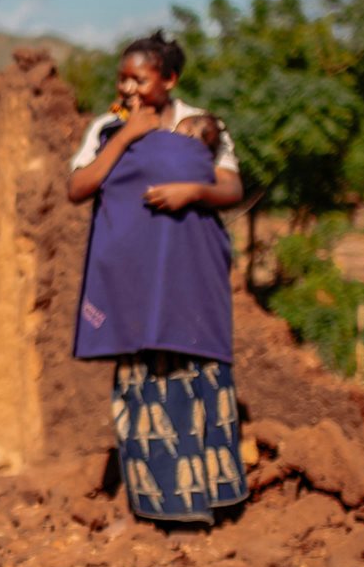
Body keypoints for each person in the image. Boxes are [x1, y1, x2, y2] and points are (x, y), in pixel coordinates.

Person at [67, 31, 250, 523]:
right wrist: (127, 135)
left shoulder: (204, 126)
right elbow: (78, 186)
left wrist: (194, 190)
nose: (128, 87)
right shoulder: (107, 128)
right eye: (123, 77)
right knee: (139, 374)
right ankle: (158, 504)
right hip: (133, 277)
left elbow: (232, 185)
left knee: (198, 365)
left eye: (140, 79)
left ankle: (214, 496)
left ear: (169, 79)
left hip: (189, 272)